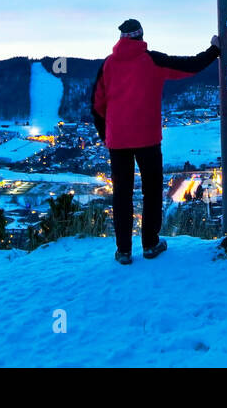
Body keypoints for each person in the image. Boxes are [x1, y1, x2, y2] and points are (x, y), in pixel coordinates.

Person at [91, 18, 220, 264]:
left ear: (120, 39)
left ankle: (123, 251)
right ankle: (150, 243)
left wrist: (106, 134)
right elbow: (190, 66)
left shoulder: (108, 65)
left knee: (122, 194)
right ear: (141, 36)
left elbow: (97, 105)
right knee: (151, 190)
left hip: (117, 141)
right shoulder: (152, 60)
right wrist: (215, 50)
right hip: (147, 139)